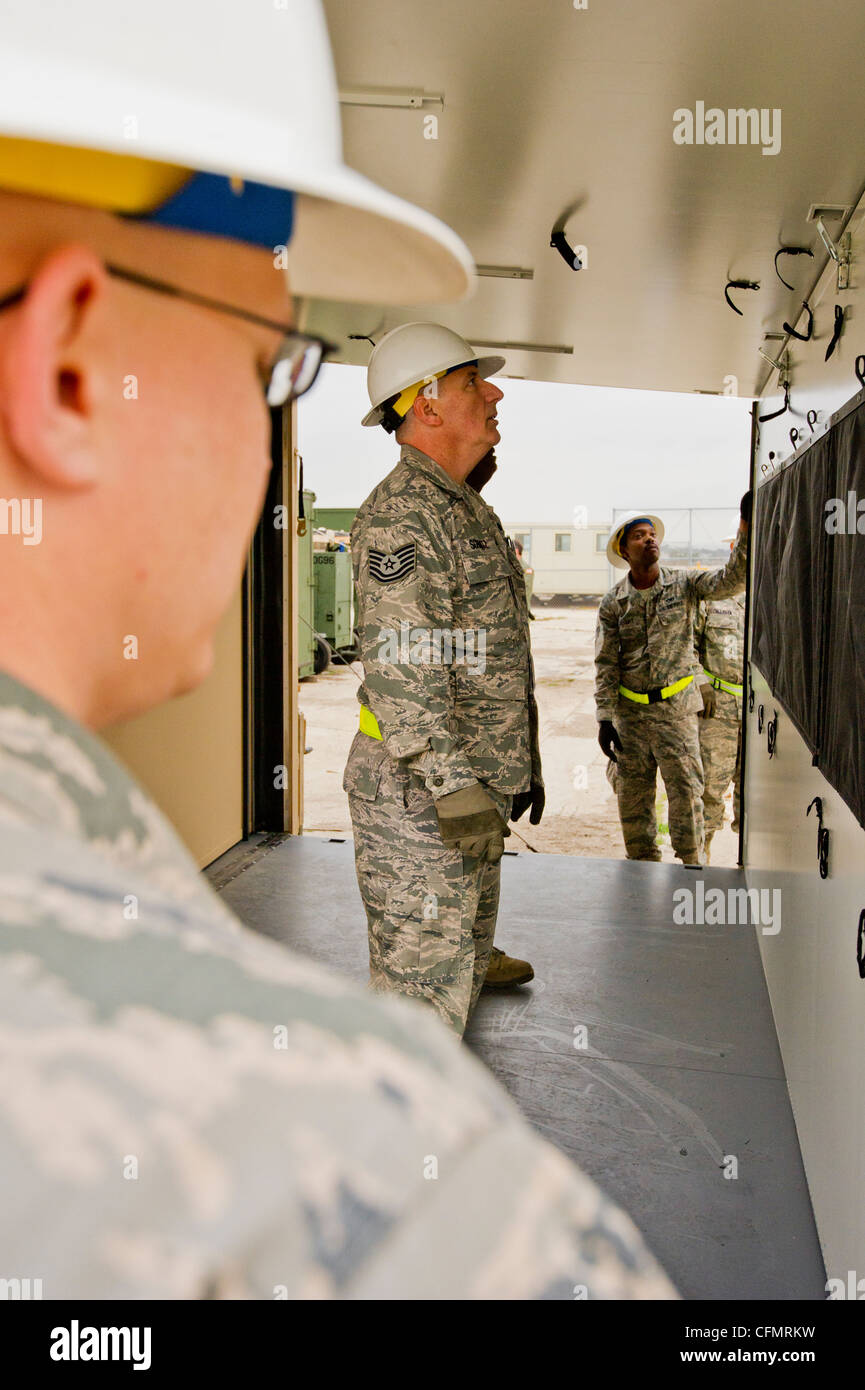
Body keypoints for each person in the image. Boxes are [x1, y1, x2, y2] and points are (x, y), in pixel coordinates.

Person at [0, 0, 674, 1300]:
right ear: (74, 370)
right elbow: (420, 667)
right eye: (272, 365)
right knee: (418, 992)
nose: (268, 441)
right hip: (422, 797)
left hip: (460, 794)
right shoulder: (345, 1166)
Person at [344, 324, 546, 1036]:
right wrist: (450, 780)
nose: (493, 392)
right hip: (420, 789)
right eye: (470, 382)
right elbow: (402, 659)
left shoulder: (458, 504)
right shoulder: (405, 515)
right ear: (425, 406)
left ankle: (466, 953)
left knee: (458, 922)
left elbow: (489, 650)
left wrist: (515, 763)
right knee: (415, 993)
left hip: (468, 773)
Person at [595, 500, 750, 866]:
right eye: (639, 536)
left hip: (677, 716)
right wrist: (604, 717)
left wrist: (745, 527)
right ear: (623, 549)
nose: (649, 541)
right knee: (633, 806)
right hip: (630, 719)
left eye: (652, 535)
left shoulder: (684, 585)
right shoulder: (614, 602)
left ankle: (691, 871)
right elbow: (605, 663)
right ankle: (642, 874)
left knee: (687, 799)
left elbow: (731, 580)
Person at [694, 536, 746, 862]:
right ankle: (700, 864)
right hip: (718, 712)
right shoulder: (711, 599)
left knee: (756, 798)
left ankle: (749, 866)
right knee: (709, 793)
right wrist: (700, 682)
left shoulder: (771, 595)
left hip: (760, 716)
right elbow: (687, 646)